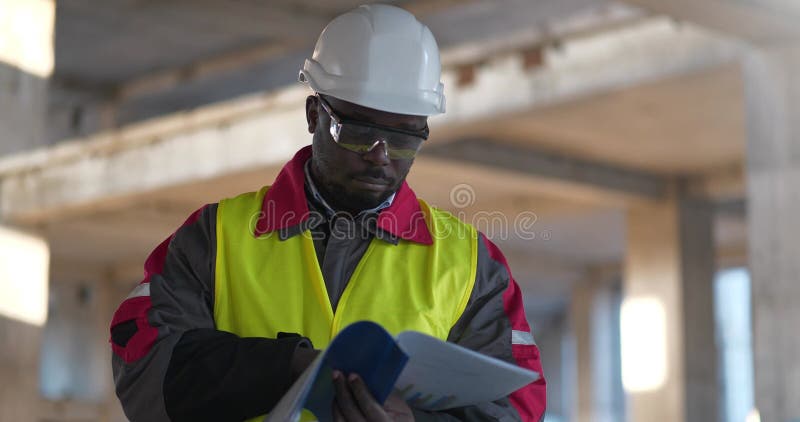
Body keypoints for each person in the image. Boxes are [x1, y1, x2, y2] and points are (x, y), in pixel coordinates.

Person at [110, 4, 546, 422]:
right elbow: (144, 367)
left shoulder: (470, 264)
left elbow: (518, 407)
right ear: (314, 113)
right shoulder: (215, 238)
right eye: (358, 131)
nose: (380, 156)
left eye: (403, 140)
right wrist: (293, 367)